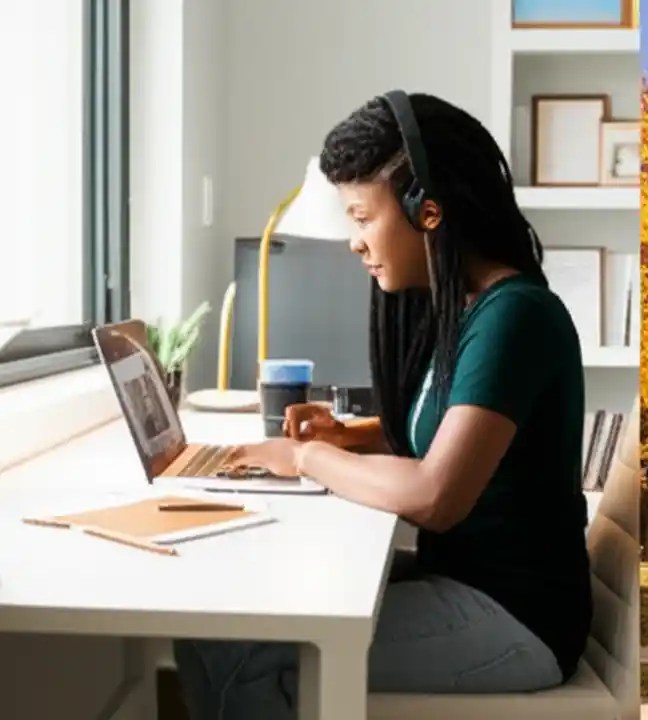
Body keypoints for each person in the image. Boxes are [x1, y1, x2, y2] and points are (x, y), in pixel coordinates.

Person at [172, 92, 593, 717]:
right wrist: (349, 436)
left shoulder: (515, 316)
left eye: (362, 217)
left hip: (516, 619)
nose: (353, 242)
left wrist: (304, 459)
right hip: (468, 586)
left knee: (242, 654)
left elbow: (434, 495)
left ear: (428, 212)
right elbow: (442, 432)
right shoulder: (466, 308)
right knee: (212, 628)